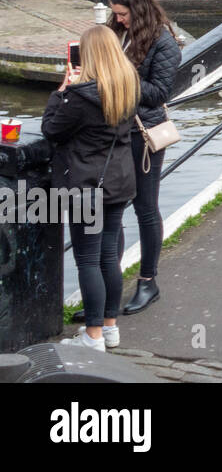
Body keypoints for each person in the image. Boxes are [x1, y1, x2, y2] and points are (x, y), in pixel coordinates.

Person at [42, 25, 139, 351]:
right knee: (109, 255)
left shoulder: (80, 97)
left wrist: (61, 90)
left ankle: (92, 336)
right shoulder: (128, 87)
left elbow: (51, 130)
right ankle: (110, 328)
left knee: (87, 260)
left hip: (86, 186)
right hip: (118, 182)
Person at [100, 0, 181, 316]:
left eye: (122, 14)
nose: (118, 20)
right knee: (111, 208)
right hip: (111, 131)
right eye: (115, 14)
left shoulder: (165, 43)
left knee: (145, 208)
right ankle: (107, 286)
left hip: (142, 133)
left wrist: (118, 77)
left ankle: (148, 281)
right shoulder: (115, 31)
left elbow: (159, 92)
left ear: (138, 9)